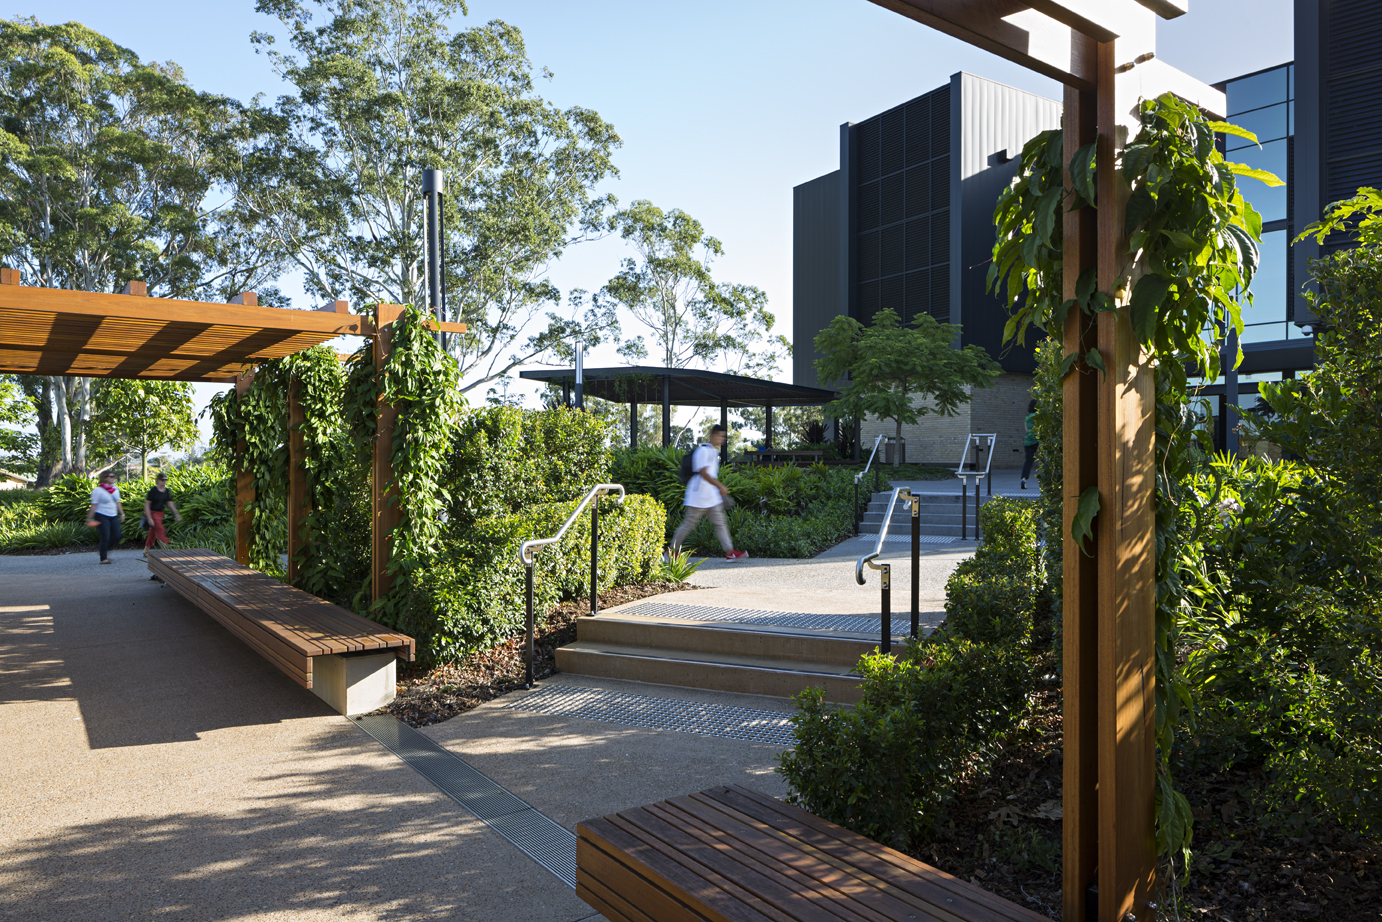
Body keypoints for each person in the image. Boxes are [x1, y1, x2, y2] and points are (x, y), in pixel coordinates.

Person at [671, 425, 749, 561]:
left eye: (723, 436)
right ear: (712, 435)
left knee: (720, 523)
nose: (722, 439)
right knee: (689, 524)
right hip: (698, 496)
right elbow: (703, 473)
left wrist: (718, 491)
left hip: (711, 497)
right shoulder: (703, 451)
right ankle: (671, 551)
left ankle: (730, 552)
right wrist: (720, 486)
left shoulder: (713, 452)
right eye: (720, 436)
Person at [85, 470, 123, 564]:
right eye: (111, 476)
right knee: (105, 536)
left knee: (118, 535)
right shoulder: (98, 490)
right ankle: (103, 558)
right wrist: (89, 518)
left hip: (113, 515)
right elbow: (94, 505)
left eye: (113, 476)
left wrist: (122, 514)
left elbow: (117, 502)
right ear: (105, 478)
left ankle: (105, 549)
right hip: (101, 515)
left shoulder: (115, 489)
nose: (113, 478)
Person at [143, 472, 182, 555]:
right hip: (152, 514)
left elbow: (170, 503)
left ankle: (146, 551)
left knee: (152, 533)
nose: (164, 481)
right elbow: (147, 504)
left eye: (165, 480)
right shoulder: (153, 491)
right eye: (162, 479)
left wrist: (176, 514)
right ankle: (167, 551)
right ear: (158, 480)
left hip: (160, 514)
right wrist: (149, 518)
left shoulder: (166, 491)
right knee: (160, 530)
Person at [1021, 399, 1038, 490]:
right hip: (1037, 440)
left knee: (1028, 461)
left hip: (1028, 441)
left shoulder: (1027, 417)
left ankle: (1024, 478)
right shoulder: (1038, 416)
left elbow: (1026, 430)